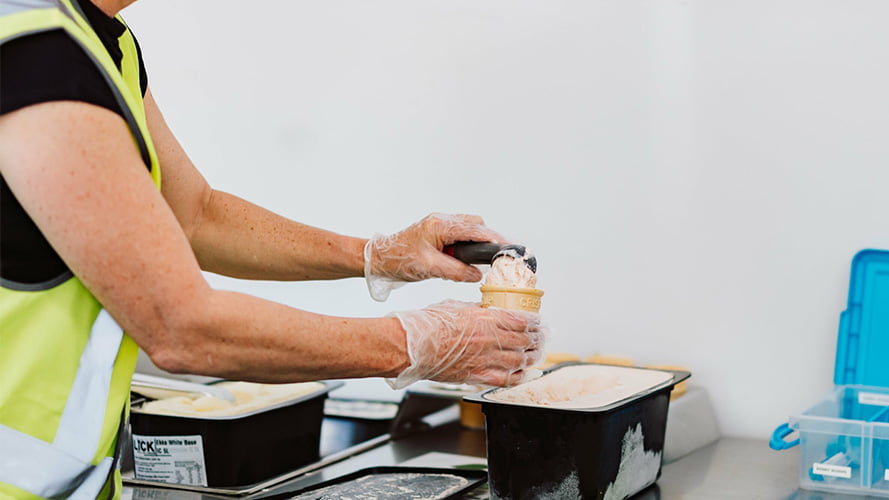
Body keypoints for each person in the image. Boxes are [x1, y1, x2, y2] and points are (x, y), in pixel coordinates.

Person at [0, 0, 545, 497]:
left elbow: (195, 216)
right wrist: (417, 344)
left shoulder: (101, 41)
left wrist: (377, 255)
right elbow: (181, 327)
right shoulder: (35, 50)